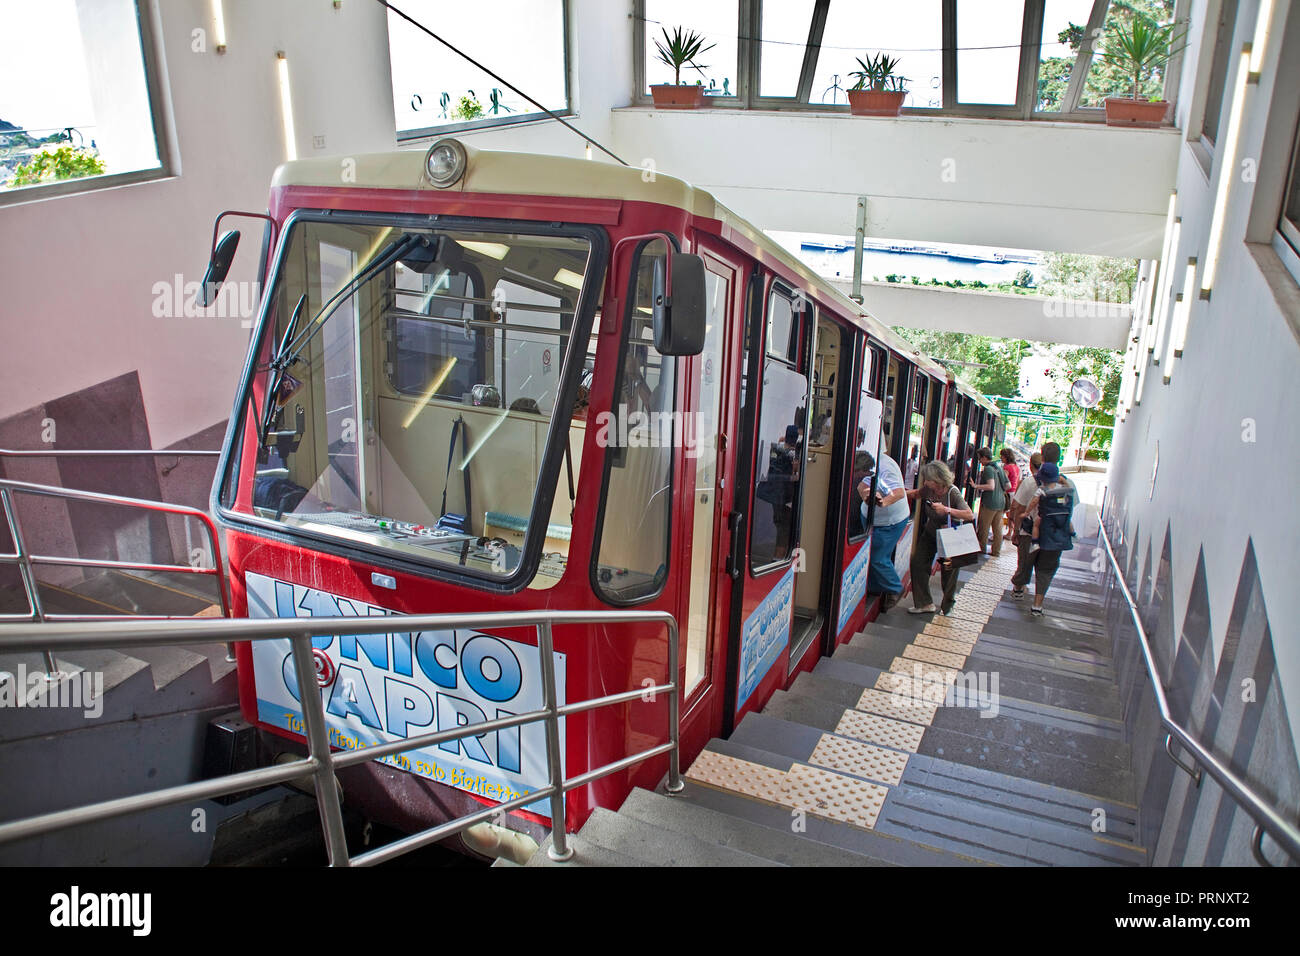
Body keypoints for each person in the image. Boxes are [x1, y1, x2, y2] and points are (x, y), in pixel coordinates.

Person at [906, 461, 976, 616]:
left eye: (928, 479)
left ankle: (947, 606)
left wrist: (946, 510)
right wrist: (896, 493)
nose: (925, 482)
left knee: (949, 571)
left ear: (937, 479)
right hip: (931, 532)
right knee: (918, 562)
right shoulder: (929, 489)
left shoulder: (952, 492)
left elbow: (969, 514)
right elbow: (917, 494)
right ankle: (925, 603)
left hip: (950, 536)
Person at [1012, 461, 1074, 616]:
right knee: (1046, 570)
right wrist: (1063, 481)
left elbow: (1022, 506)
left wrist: (1022, 519)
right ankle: (1037, 605)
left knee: (1025, 563)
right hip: (1057, 537)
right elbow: (1071, 503)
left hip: (1033, 530)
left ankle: (1019, 588)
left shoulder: (1037, 487)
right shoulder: (1067, 489)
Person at [858, 451, 910, 612]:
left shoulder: (885, 467)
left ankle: (895, 588)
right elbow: (862, 485)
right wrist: (867, 496)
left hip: (889, 521)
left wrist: (882, 502)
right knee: (876, 555)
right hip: (872, 517)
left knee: (877, 557)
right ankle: (874, 588)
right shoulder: (869, 461)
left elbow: (898, 492)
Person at [967, 447, 1008, 557]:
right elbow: (1008, 485)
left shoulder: (988, 469)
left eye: (980, 458)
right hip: (1001, 502)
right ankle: (996, 551)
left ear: (985, 457)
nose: (979, 461)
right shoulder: (999, 467)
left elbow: (991, 486)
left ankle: (982, 547)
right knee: (997, 528)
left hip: (990, 502)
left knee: (984, 526)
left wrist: (976, 486)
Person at [1000, 448, 1020, 535]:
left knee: (1000, 513)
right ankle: (1010, 532)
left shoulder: (1007, 467)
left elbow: (1004, 480)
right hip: (1014, 492)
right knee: (1011, 514)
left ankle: (998, 533)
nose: (1001, 458)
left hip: (1007, 493)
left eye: (1002, 456)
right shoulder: (1016, 467)